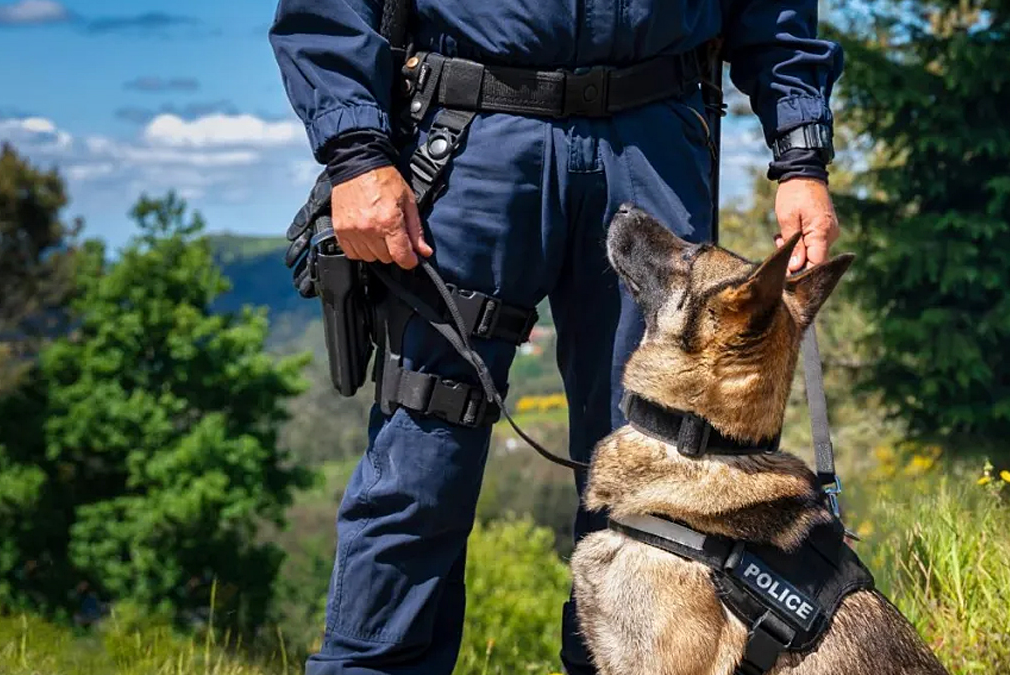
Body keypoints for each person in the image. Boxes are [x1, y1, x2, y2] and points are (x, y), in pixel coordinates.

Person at [268, 1, 844, 673]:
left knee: (660, 477)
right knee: (420, 466)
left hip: (655, 131)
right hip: (470, 133)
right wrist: (356, 152)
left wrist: (800, 151)